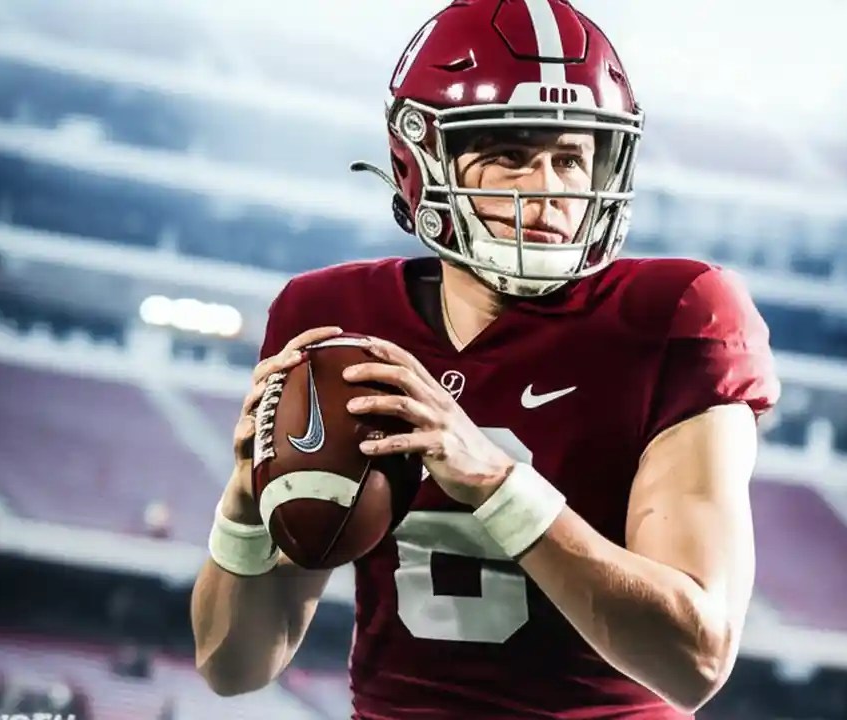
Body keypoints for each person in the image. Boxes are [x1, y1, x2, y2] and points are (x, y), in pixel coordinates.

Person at [191, 1, 779, 717]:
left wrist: (498, 484)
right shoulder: (334, 322)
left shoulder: (677, 313)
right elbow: (233, 666)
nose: (551, 190)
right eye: (510, 155)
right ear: (420, 158)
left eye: (572, 156)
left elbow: (698, 658)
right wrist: (245, 506)